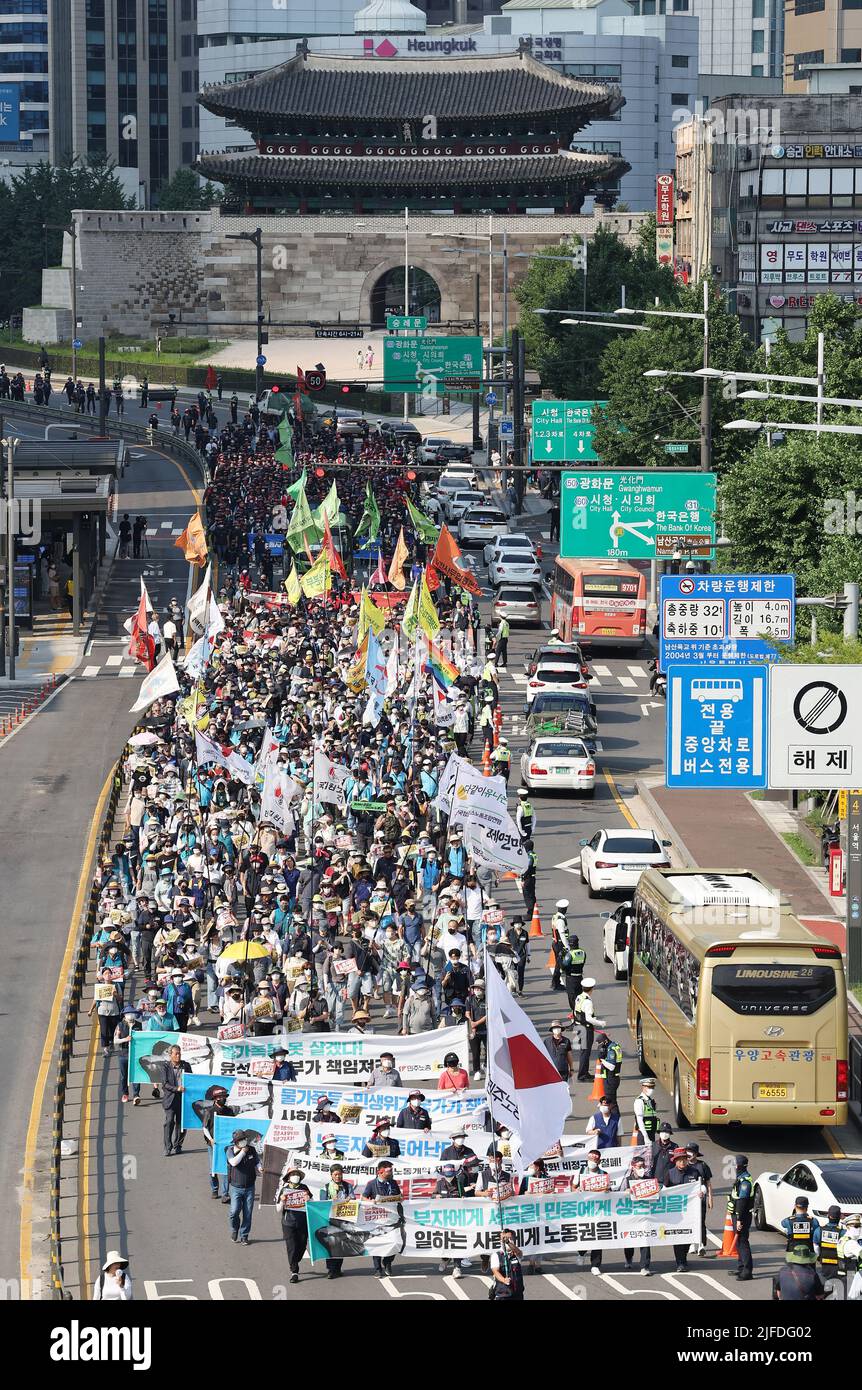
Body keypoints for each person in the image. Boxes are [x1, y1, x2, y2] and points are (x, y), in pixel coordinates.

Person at [361, 1161, 402, 1278]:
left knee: (395, 1242)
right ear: (380, 1171)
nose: (391, 1173)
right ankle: (378, 1269)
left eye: (391, 1170)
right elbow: (363, 1197)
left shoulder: (393, 1183)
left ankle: (388, 1262)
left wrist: (399, 1198)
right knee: (377, 1244)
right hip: (377, 1220)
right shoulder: (372, 1184)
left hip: (392, 1219)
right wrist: (370, 1201)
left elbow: (399, 1196)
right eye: (388, 1171)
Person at [664, 1148, 700, 1273]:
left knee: (689, 1236)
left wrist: (702, 1192)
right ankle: (680, 1262)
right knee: (678, 1237)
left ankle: (683, 1256)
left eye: (684, 1160)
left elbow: (702, 1186)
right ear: (675, 1161)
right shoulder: (670, 1173)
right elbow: (664, 1190)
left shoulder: (694, 1172)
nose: (682, 1163)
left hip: (691, 1211)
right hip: (676, 1211)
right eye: (679, 1160)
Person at [276, 1165, 313, 1284]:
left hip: (303, 1222)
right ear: (288, 1177)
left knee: (302, 1245)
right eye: (293, 1175)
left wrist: (309, 1199)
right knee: (291, 1246)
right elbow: (278, 1209)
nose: (295, 1176)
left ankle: (295, 1261)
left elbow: (312, 1204)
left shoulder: (304, 1188)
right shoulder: (284, 1189)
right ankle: (294, 1271)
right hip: (288, 1223)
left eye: (297, 1174)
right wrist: (282, 1200)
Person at [320, 1164, 355, 1279]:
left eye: (340, 1174)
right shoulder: (325, 1187)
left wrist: (350, 1199)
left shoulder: (347, 1186)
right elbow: (321, 1202)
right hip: (330, 1219)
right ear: (331, 1175)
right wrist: (331, 1200)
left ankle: (338, 1268)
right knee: (331, 1243)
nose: (338, 1176)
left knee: (342, 1243)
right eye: (335, 1174)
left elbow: (353, 1198)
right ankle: (330, 1269)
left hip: (343, 1219)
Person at [226, 1131, 261, 1244]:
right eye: (241, 1140)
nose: (244, 1141)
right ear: (236, 1142)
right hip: (236, 1188)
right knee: (234, 1212)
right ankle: (234, 1229)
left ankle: (244, 1235)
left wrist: (260, 1168)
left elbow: (257, 1162)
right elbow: (234, 1163)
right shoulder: (230, 1150)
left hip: (250, 1187)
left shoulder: (251, 1149)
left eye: (244, 1139)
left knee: (247, 1213)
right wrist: (242, 1152)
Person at [685, 1141, 713, 1256]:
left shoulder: (702, 1165)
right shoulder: (683, 1165)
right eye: (687, 1151)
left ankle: (701, 1245)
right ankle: (691, 1244)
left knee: (701, 1221)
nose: (689, 1154)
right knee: (688, 1222)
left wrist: (710, 1198)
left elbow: (708, 1183)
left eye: (691, 1151)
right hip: (687, 1200)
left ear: (696, 1154)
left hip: (700, 1199)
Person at [161, 1044, 190, 1157]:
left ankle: (178, 1145)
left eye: (179, 1053)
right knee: (169, 1122)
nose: (178, 1056)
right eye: (176, 1054)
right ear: (170, 1055)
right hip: (170, 1099)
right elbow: (165, 1084)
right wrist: (176, 1088)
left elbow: (191, 1078)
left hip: (183, 1098)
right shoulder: (165, 1067)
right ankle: (167, 1147)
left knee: (182, 1123)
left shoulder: (185, 1065)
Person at [729, 1154, 754, 1281]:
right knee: (738, 1242)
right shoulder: (740, 1178)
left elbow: (743, 1201)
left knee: (743, 1242)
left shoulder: (745, 1181)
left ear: (739, 1166)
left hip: (742, 1216)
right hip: (738, 1215)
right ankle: (741, 1267)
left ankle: (747, 1271)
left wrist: (739, 1219)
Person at [574, 978, 605, 1081]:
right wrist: (600, 1023)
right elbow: (589, 1018)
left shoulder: (579, 997)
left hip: (579, 1027)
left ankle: (584, 1073)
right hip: (585, 1029)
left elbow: (576, 1012)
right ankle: (582, 1075)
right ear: (592, 989)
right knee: (585, 1052)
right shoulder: (587, 1002)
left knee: (584, 1051)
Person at [781, 1195, 821, 1266]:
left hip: (792, 1252)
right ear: (807, 1208)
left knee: (792, 1272)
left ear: (795, 1206)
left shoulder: (788, 1220)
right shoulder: (813, 1221)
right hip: (809, 1254)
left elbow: (783, 1224)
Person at [490, 1228, 525, 1301]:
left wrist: (508, 1242)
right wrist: (503, 1280)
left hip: (517, 1293)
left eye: (510, 1239)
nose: (508, 1240)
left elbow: (519, 1252)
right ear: (501, 1241)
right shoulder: (496, 1255)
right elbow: (495, 1271)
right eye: (506, 1238)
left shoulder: (516, 1254)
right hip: (503, 1293)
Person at [632, 1078, 660, 1146]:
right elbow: (640, 1120)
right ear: (643, 1087)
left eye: (653, 1087)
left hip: (651, 1133)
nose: (651, 1089)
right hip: (643, 1134)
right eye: (649, 1087)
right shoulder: (639, 1101)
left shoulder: (650, 1100)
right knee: (643, 1155)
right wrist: (645, 1137)